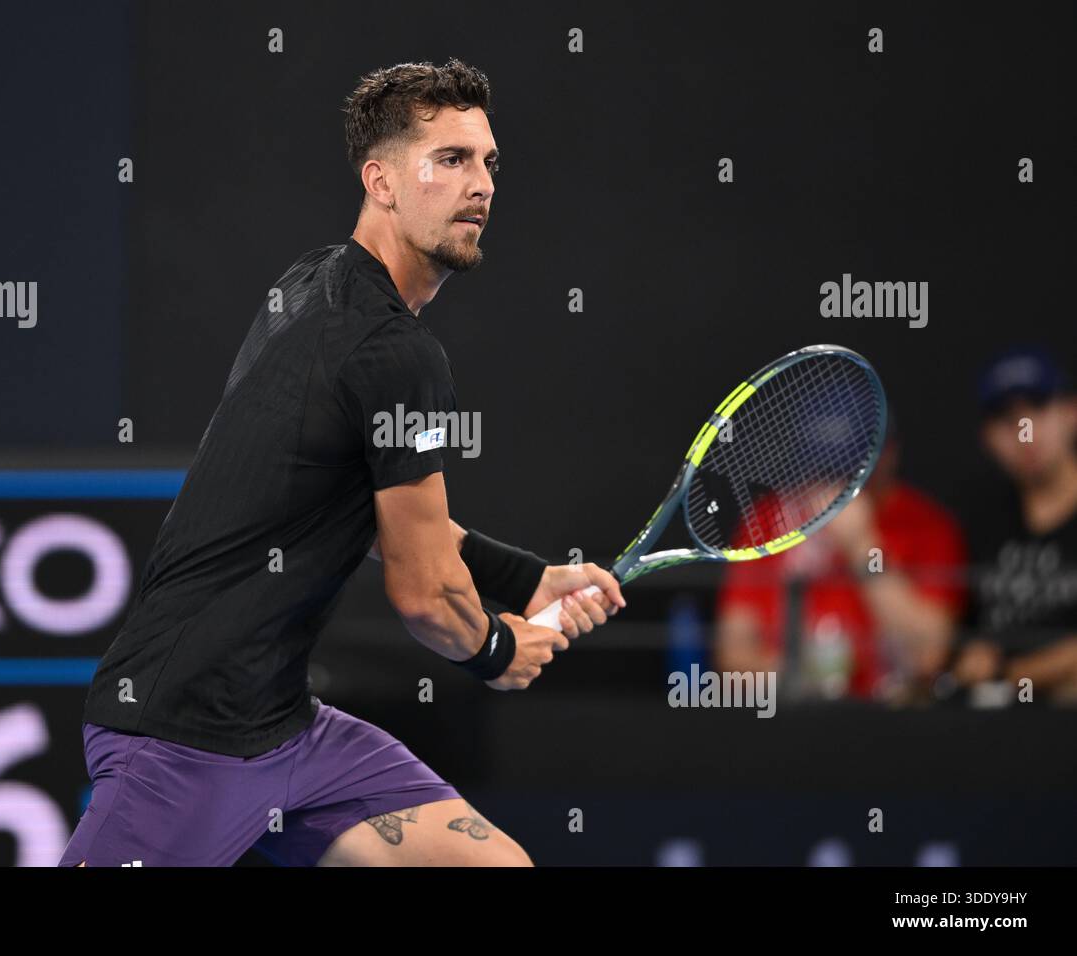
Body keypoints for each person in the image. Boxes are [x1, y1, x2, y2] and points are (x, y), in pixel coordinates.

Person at [59, 59, 625, 867]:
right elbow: (425, 594)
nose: (481, 185)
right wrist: (497, 651)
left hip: (288, 730)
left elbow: (379, 522)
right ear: (380, 181)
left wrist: (527, 581)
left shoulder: (311, 283)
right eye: (451, 159)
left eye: (488, 162)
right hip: (182, 735)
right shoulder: (395, 354)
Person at [714, 417, 967, 702]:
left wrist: (862, 546)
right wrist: (800, 675)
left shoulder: (925, 526)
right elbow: (733, 659)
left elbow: (928, 657)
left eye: (852, 473)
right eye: (821, 471)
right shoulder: (769, 520)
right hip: (793, 712)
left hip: (887, 713)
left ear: (887, 457)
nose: (834, 490)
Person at [954, 347, 1077, 703]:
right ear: (987, 438)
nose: (1025, 431)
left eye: (1038, 409)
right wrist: (972, 656)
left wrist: (1011, 673)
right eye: (1007, 420)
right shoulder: (978, 521)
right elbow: (951, 637)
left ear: (1071, 412)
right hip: (991, 720)